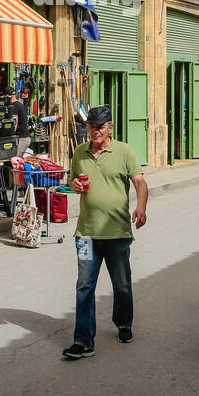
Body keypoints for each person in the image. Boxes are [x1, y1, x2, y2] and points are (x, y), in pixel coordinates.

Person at [62, 105, 148, 359]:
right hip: (87, 234)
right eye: (91, 126)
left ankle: (123, 323)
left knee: (121, 285)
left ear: (110, 127)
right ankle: (83, 341)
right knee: (85, 286)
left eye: (100, 126)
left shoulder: (124, 152)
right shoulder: (80, 152)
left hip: (117, 233)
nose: (95, 131)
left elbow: (140, 183)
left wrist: (140, 208)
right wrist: (73, 184)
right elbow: (72, 181)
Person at [8, 90, 31, 156]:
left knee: (15, 159)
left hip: (22, 138)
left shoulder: (15, 106)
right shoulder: (19, 105)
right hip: (21, 138)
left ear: (9, 96)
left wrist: (11, 132)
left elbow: (15, 122)